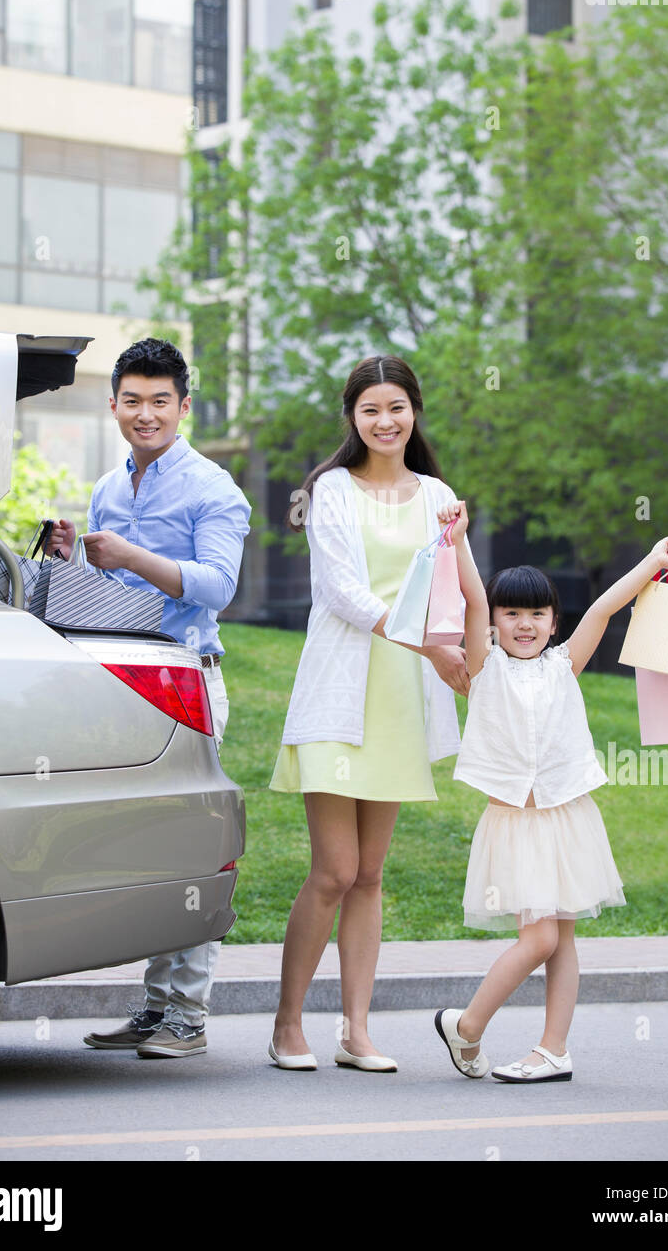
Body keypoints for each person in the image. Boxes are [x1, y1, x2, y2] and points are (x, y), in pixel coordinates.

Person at [46, 338, 251, 1058]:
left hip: (185, 683)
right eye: (132, 400)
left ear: (184, 406)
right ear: (114, 406)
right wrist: (74, 551)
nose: (146, 413)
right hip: (120, 685)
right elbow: (109, 593)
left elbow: (218, 586)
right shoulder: (108, 487)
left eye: (160, 400)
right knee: (145, 849)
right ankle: (157, 1005)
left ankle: (188, 1016)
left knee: (190, 847)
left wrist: (129, 555)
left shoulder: (214, 489)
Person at [431, 500, 668, 1083]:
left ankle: (553, 1049)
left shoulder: (564, 664)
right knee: (541, 936)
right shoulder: (483, 667)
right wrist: (460, 540)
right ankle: (467, 1026)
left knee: (562, 937)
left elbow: (603, 607)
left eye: (537, 613)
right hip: (515, 825)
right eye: (512, 612)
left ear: (553, 621)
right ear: (494, 621)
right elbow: (471, 596)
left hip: (569, 820)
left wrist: (651, 561)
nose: (524, 624)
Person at [267, 355, 471, 1072]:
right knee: (334, 870)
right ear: (351, 419)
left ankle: (356, 1031)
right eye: (370, 411)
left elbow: (453, 593)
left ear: (415, 411)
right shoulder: (331, 491)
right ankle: (287, 1023)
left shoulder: (438, 496)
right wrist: (429, 645)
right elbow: (343, 593)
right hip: (340, 687)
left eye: (397, 408)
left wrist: (462, 648)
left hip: (401, 695)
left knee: (371, 874)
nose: (385, 422)